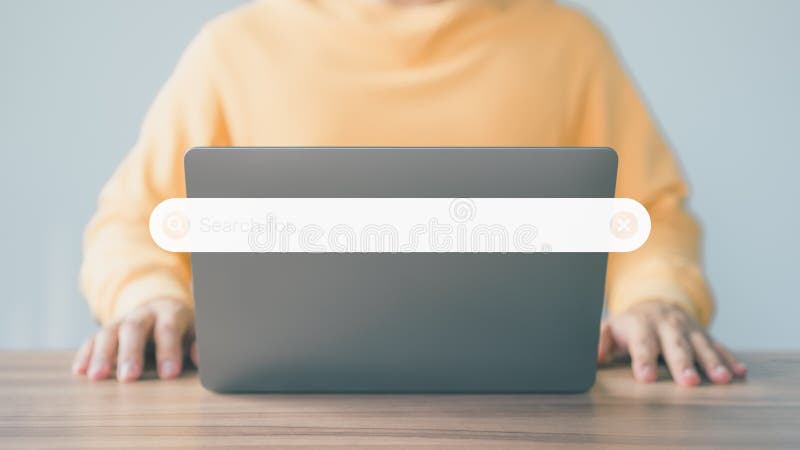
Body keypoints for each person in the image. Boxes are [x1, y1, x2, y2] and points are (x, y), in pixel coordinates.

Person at [73, 0, 747, 386]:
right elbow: (133, 220)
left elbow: (648, 213)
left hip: (523, 414)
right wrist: (149, 294)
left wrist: (654, 295)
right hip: (277, 416)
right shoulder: (233, 49)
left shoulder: (568, 44)